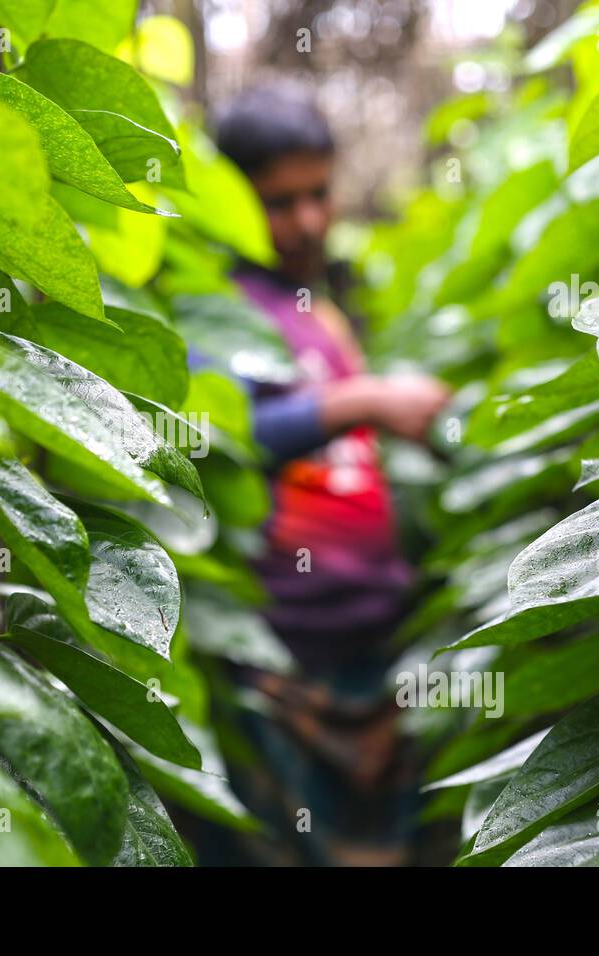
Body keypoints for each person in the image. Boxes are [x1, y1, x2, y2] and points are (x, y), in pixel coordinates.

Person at [211, 85, 451, 865]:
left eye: (318, 193)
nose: (308, 220)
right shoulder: (218, 310)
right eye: (279, 202)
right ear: (229, 198)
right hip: (282, 657)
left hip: (368, 650)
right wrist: (366, 398)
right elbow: (222, 436)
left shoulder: (319, 312)